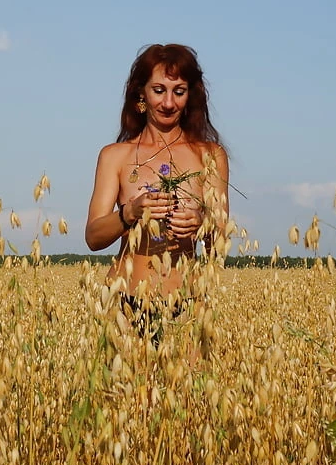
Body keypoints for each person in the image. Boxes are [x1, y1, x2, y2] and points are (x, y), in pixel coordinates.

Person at [85, 43, 230, 343]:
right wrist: (130, 212)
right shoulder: (115, 156)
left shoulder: (211, 156)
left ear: (190, 96)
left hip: (188, 306)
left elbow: (219, 246)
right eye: (159, 90)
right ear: (141, 93)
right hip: (124, 304)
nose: (168, 102)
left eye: (179, 91)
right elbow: (94, 237)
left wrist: (202, 222)